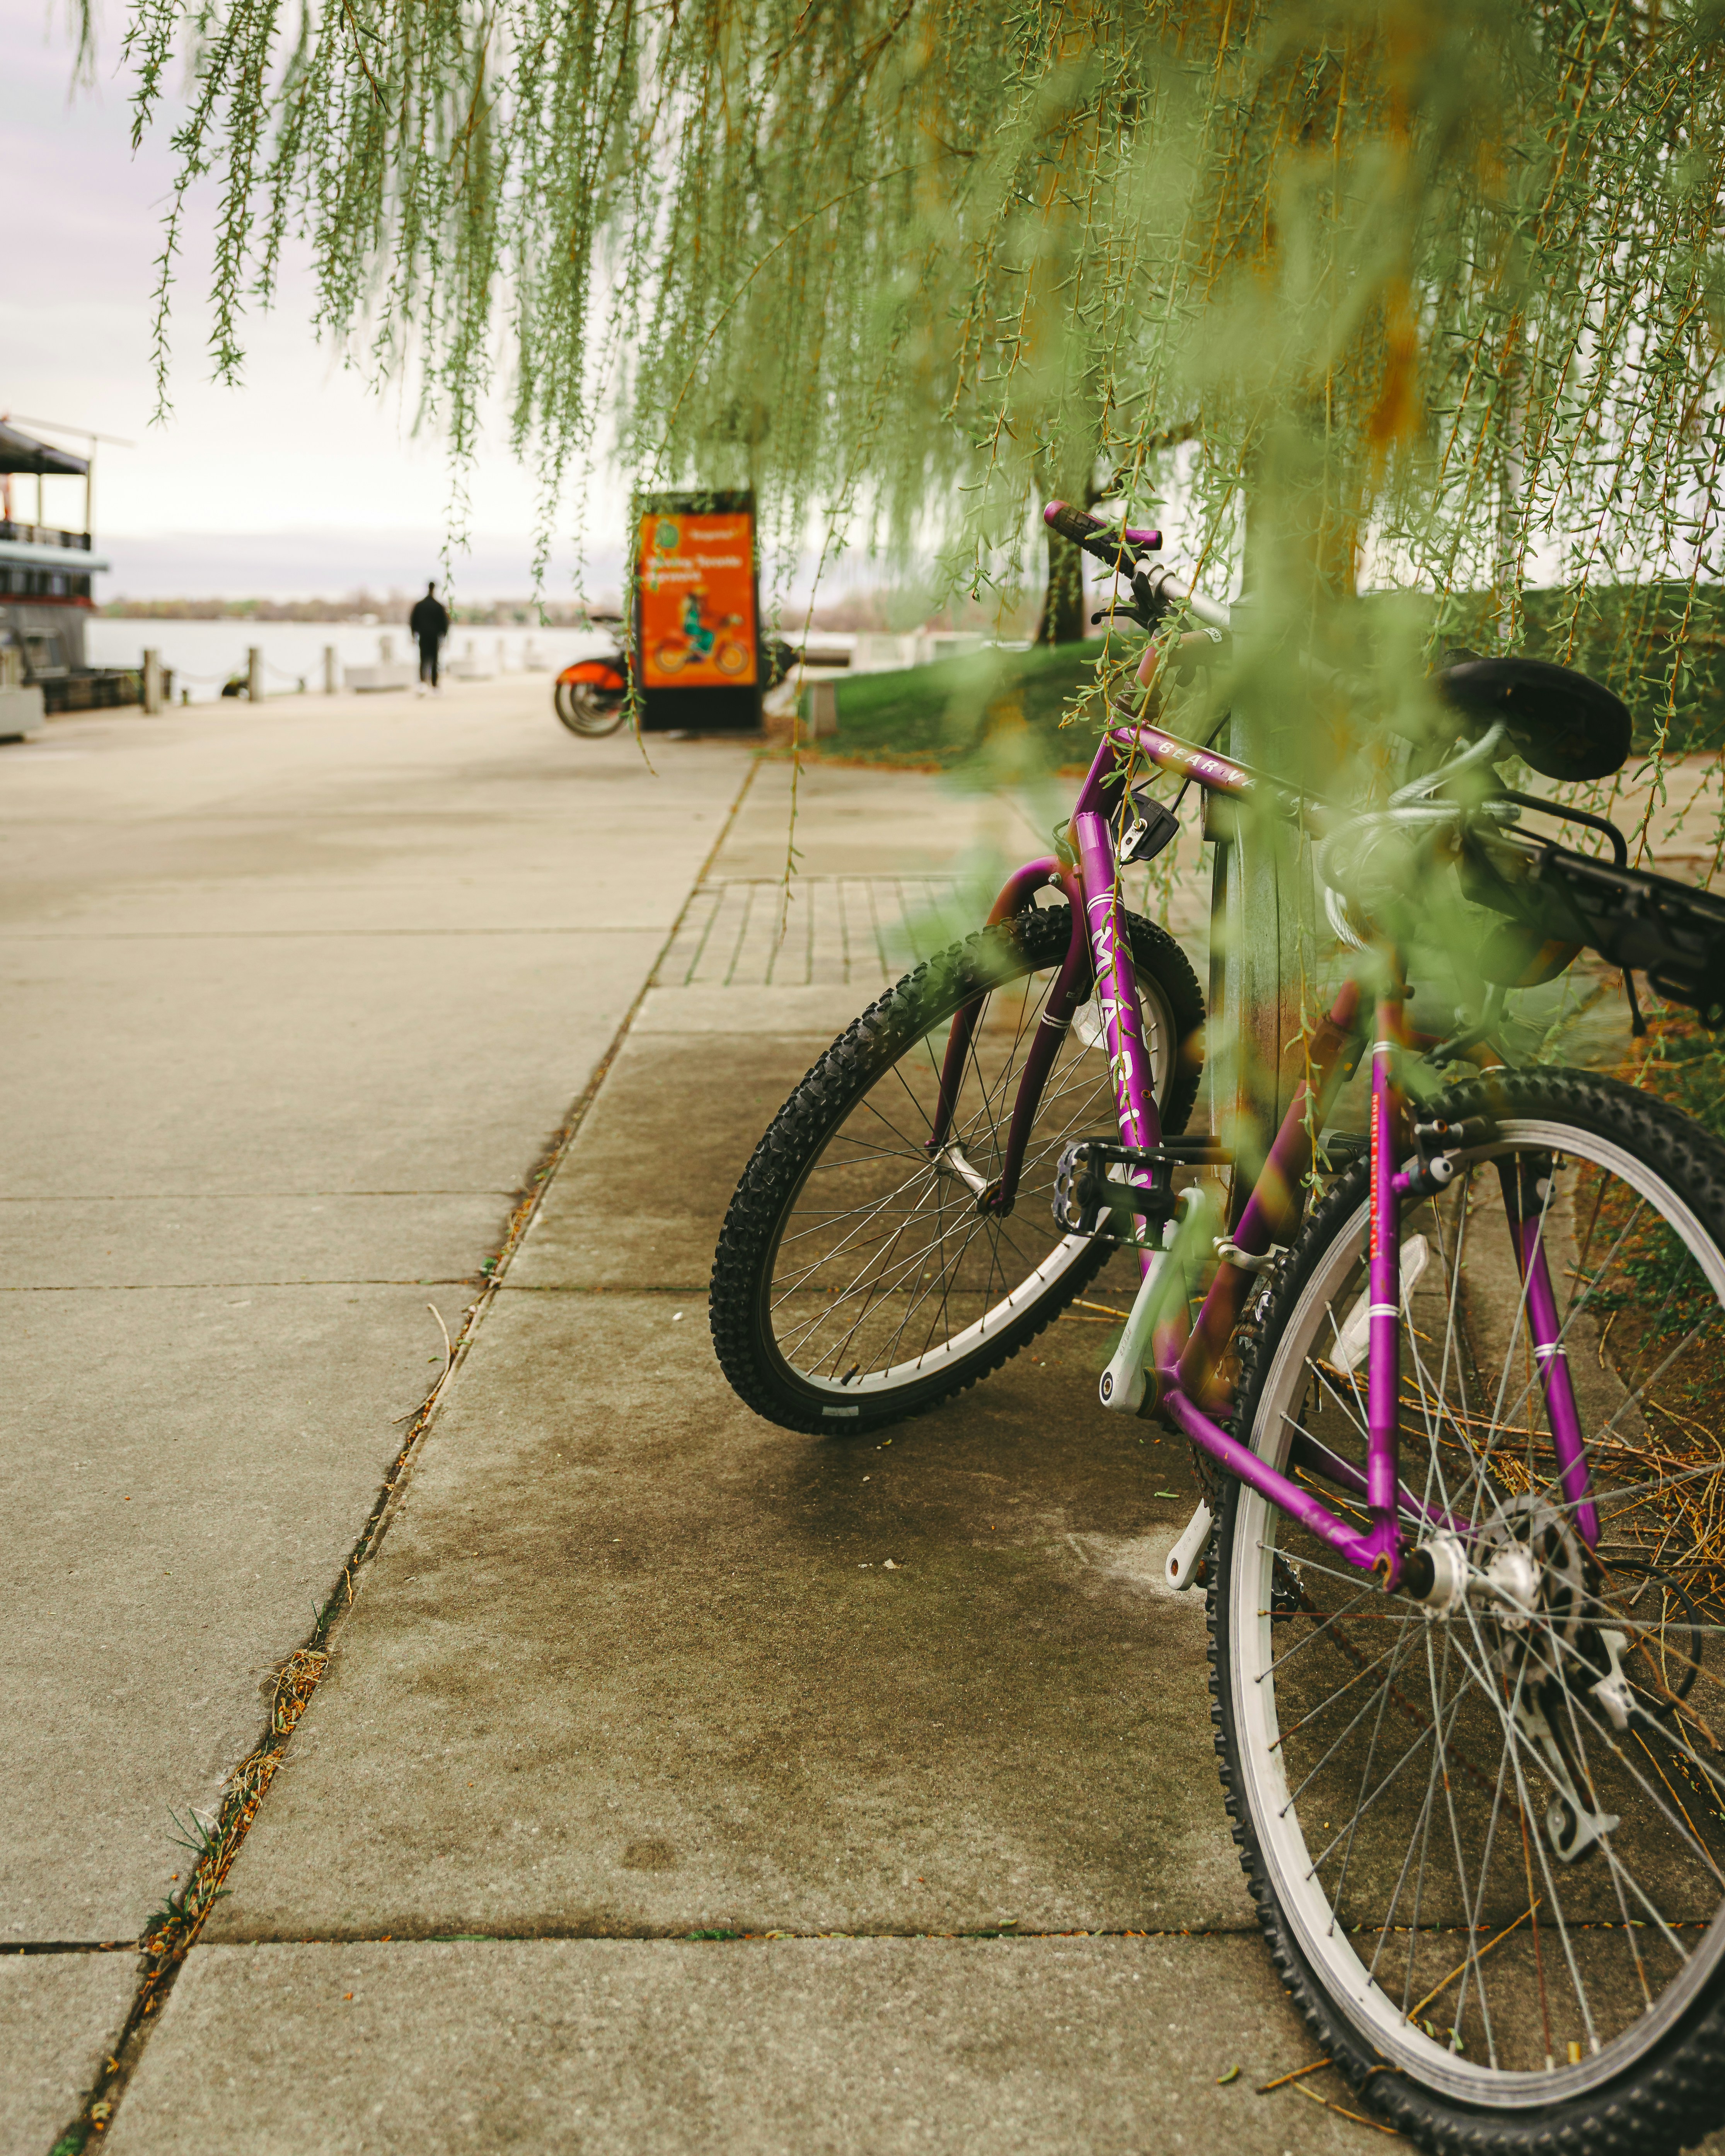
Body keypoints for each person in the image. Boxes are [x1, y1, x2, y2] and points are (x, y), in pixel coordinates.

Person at [409, 581, 450, 693]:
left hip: (423, 636)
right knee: (435, 660)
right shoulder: (439, 606)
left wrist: (413, 634)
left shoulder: (420, 605)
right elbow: (445, 624)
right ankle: (435, 684)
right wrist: (445, 636)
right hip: (435, 637)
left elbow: (413, 622)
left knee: (423, 659)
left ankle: (422, 683)